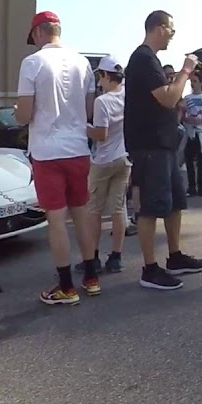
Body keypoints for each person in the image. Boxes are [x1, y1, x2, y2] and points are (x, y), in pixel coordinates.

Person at [15, 11, 102, 305]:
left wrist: (19, 110)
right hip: (78, 148)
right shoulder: (83, 62)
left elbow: (24, 115)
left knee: (56, 219)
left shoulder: (33, 63)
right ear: (58, 30)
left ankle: (67, 286)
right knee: (82, 215)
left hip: (46, 151)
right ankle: (91, 278)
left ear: (38, 33)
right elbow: (89, 110)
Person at [124, 11, 202, 290]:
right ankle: (149, 269)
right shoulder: (143, 59)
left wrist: (183, 77)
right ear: (159, 29)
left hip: (164, 144)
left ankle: (175, 256)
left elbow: (171, 99)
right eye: (171, 30)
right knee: (150, 208)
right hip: (148, 145)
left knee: (174, 203)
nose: (173, 35)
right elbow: (169, 98)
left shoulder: (152, 60)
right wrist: (185, 71)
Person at [81, 55, 130, 274]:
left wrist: (84, 127)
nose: (99, 82)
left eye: (100, 76)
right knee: (118, 209)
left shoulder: (103, 102)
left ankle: (92, 259)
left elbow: (101, 134)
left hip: (103, 161)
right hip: (124, 157)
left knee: (94, 211)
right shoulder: (127, 95)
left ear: (105, 75)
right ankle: (116, 257)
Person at [181, 75, 202, 196]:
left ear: (201, 83)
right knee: (189, 160)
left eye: (195, 81)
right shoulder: (187, 98)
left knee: (201, 162)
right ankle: (191, 187)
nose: (192, 84)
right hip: (190, 132)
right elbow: (182, 114)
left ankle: (201, 187)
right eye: (191, 81)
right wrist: (187, 119)